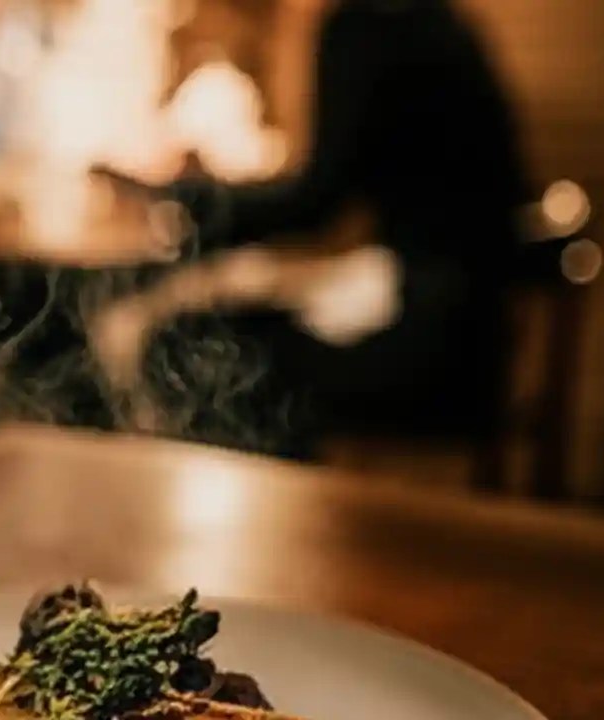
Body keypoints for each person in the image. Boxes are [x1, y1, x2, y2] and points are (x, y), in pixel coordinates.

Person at [152, 0, 531, 440]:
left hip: (427, 352)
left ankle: (283, 505)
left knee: (195, 347)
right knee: (231, 326)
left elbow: (319, 202)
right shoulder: (435, 20)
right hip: (480, 344)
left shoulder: (364, 26)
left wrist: (186, 206)